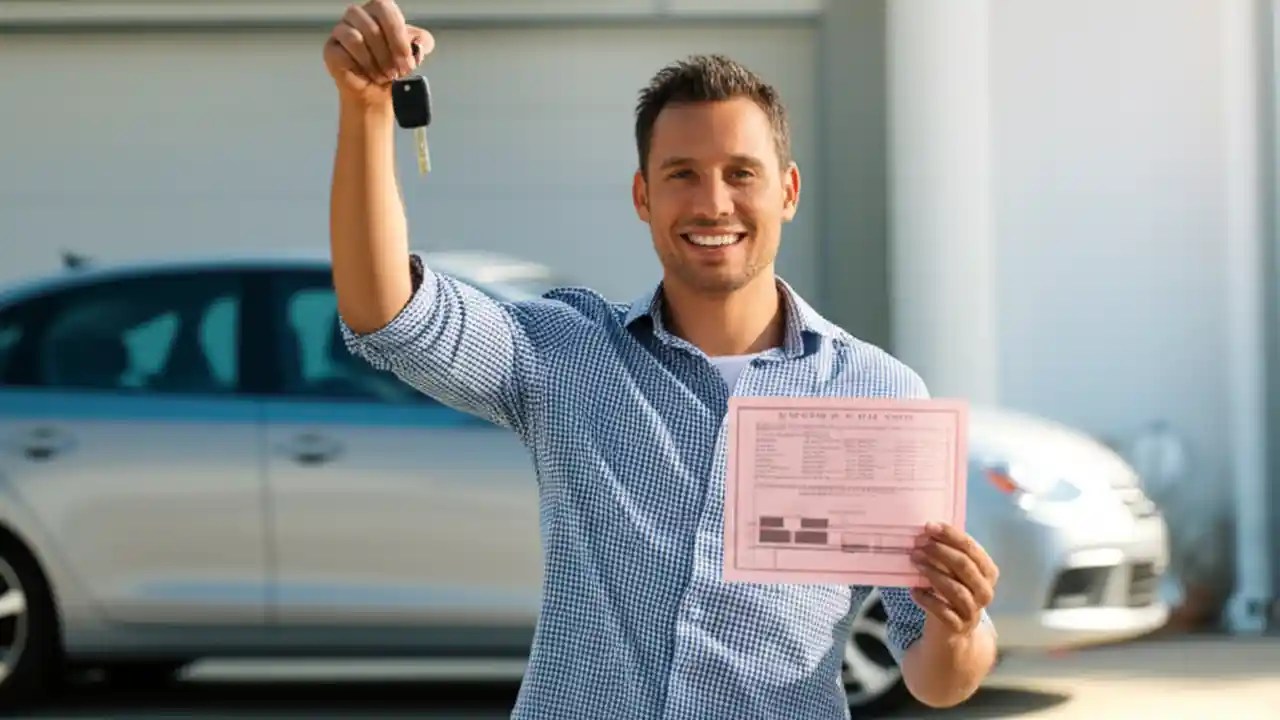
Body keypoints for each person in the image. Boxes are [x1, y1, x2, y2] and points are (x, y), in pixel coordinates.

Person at [322, 1, 999, 717]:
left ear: (788, 191)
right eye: (682, 174)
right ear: (643, 195)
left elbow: (938, 678)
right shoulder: (564, 354)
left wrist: (957, 629)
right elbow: (387, 315)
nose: (713, 203)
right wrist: (365, 111)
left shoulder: (878, 395)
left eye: (742, 173)